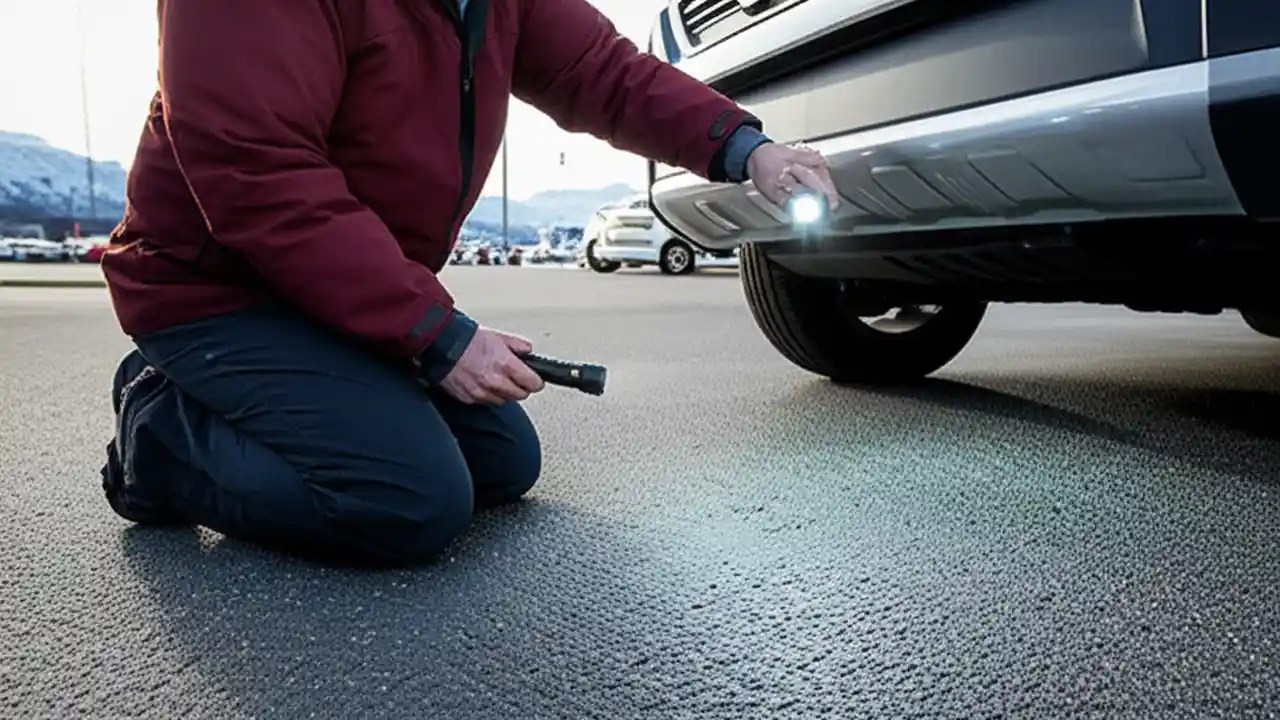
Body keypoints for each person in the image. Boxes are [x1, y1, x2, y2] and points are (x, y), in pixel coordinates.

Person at [100, 0, 839, 566]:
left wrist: (746, 149)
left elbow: (601, 72)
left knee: (501, 463)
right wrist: (436, 336)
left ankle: (286, 397)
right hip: (216, 292)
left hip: (336, 291)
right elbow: (257, 175)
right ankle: (159, 435)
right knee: (407, 499)